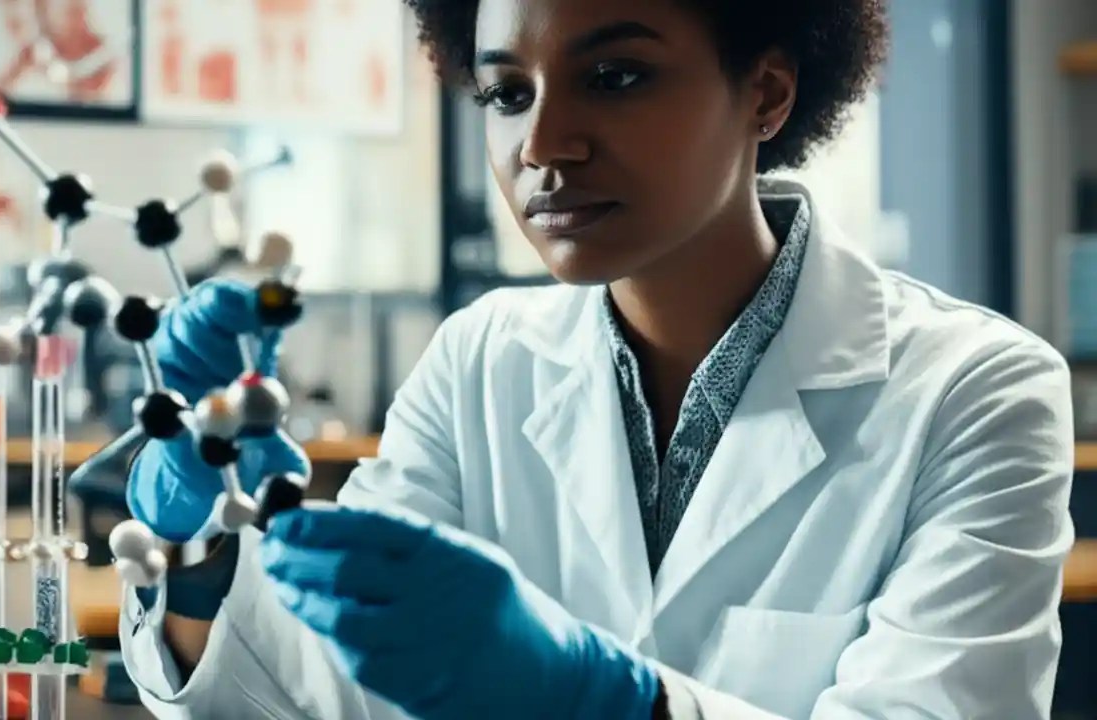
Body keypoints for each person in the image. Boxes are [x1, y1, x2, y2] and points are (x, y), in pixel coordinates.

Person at [120, 0, 1076, 717]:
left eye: (615, 76)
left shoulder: (977, 391)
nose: (542, 145)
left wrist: (599, 697)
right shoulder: (478, 361)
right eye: (506, 93)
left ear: (768, 93)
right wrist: (204, 549)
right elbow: (318, 692)